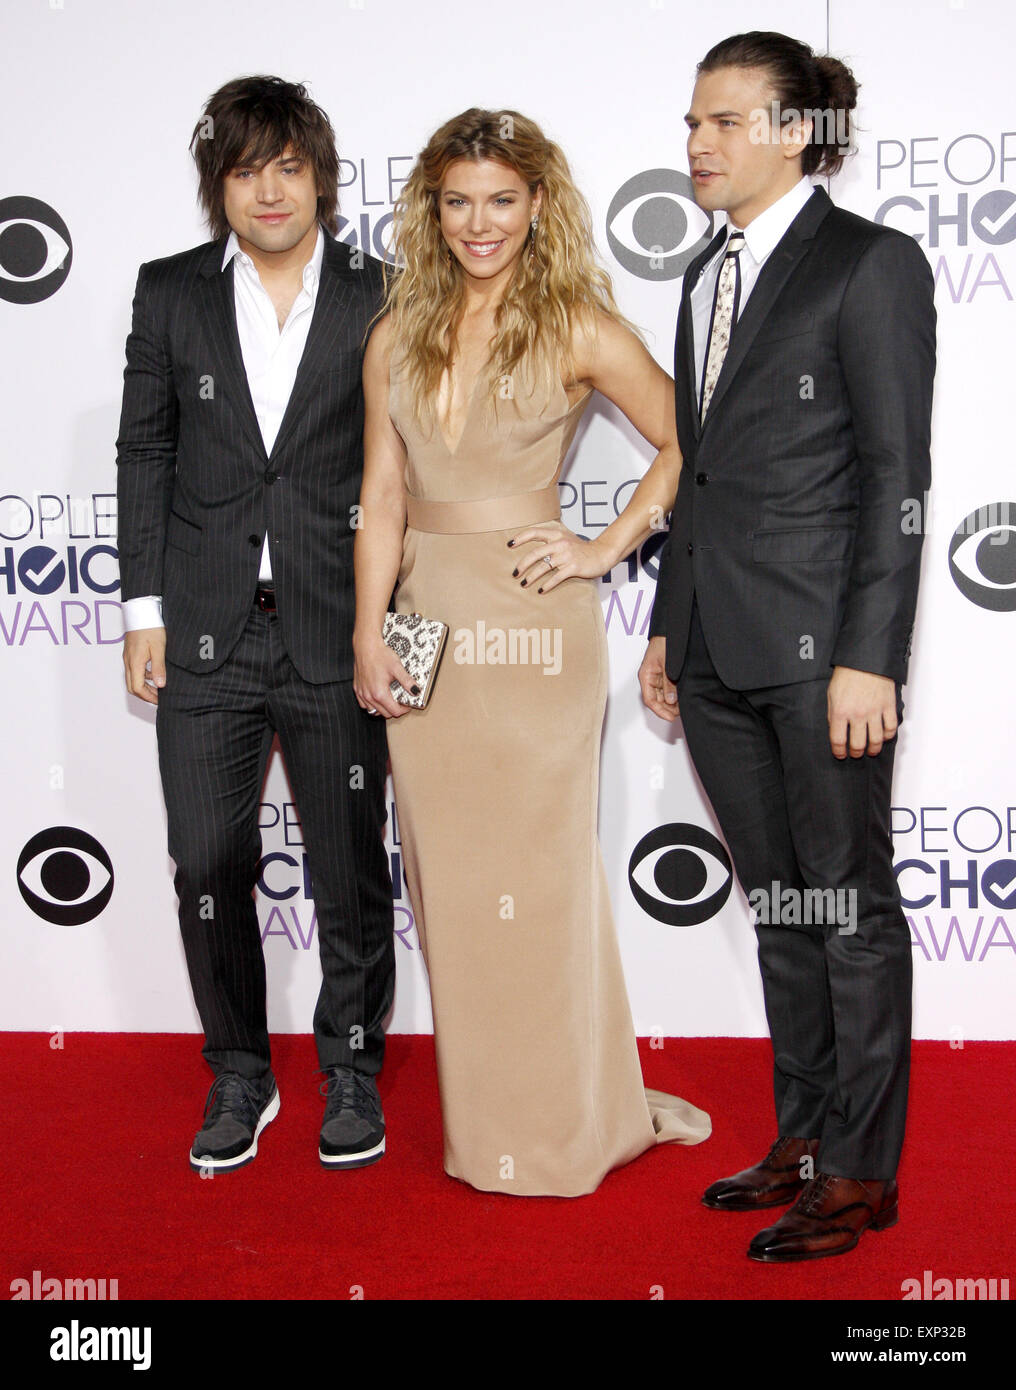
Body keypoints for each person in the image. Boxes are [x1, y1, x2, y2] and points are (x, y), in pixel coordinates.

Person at [353, 108, 711, 1197]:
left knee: (541, 883)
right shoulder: (395, 331)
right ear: (432, 210)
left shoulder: (578, 325)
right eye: (457, 201)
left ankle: (569, 1125)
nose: (478, 222)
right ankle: (494, 1121)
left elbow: (686, 442)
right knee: (454, 891)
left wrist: (603, 546)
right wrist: (368, 630)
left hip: (531, 634)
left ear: (537, 205)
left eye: (500, 199)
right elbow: (379, 495)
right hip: (425, 630)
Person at [640, 32, 935, 1259]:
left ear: (794, 133)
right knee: (783, 907)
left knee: (849, 912)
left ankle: (863, 1174)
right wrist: (669, 623)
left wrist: (872, 656)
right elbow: (696, 474)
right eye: (691, 122)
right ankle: (805, 1137)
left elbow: (893, 475)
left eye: (722, 122)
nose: (696, 144)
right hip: (714, 648)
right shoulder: (701, 276)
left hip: (824, 658)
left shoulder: (868, 266)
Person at [116, 75, 395, 1173]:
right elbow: (146, 449)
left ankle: (352, 1070)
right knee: (204, 859)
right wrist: (142, 605)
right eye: (244, 171)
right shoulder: (170, 292)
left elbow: (411, 458)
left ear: (321, 178)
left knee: (349, 865)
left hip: (338, 624)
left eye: (287, 167)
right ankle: (238, 1071)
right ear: (217, 187)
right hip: (203, 627)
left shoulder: (386, 289)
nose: (268, 191)